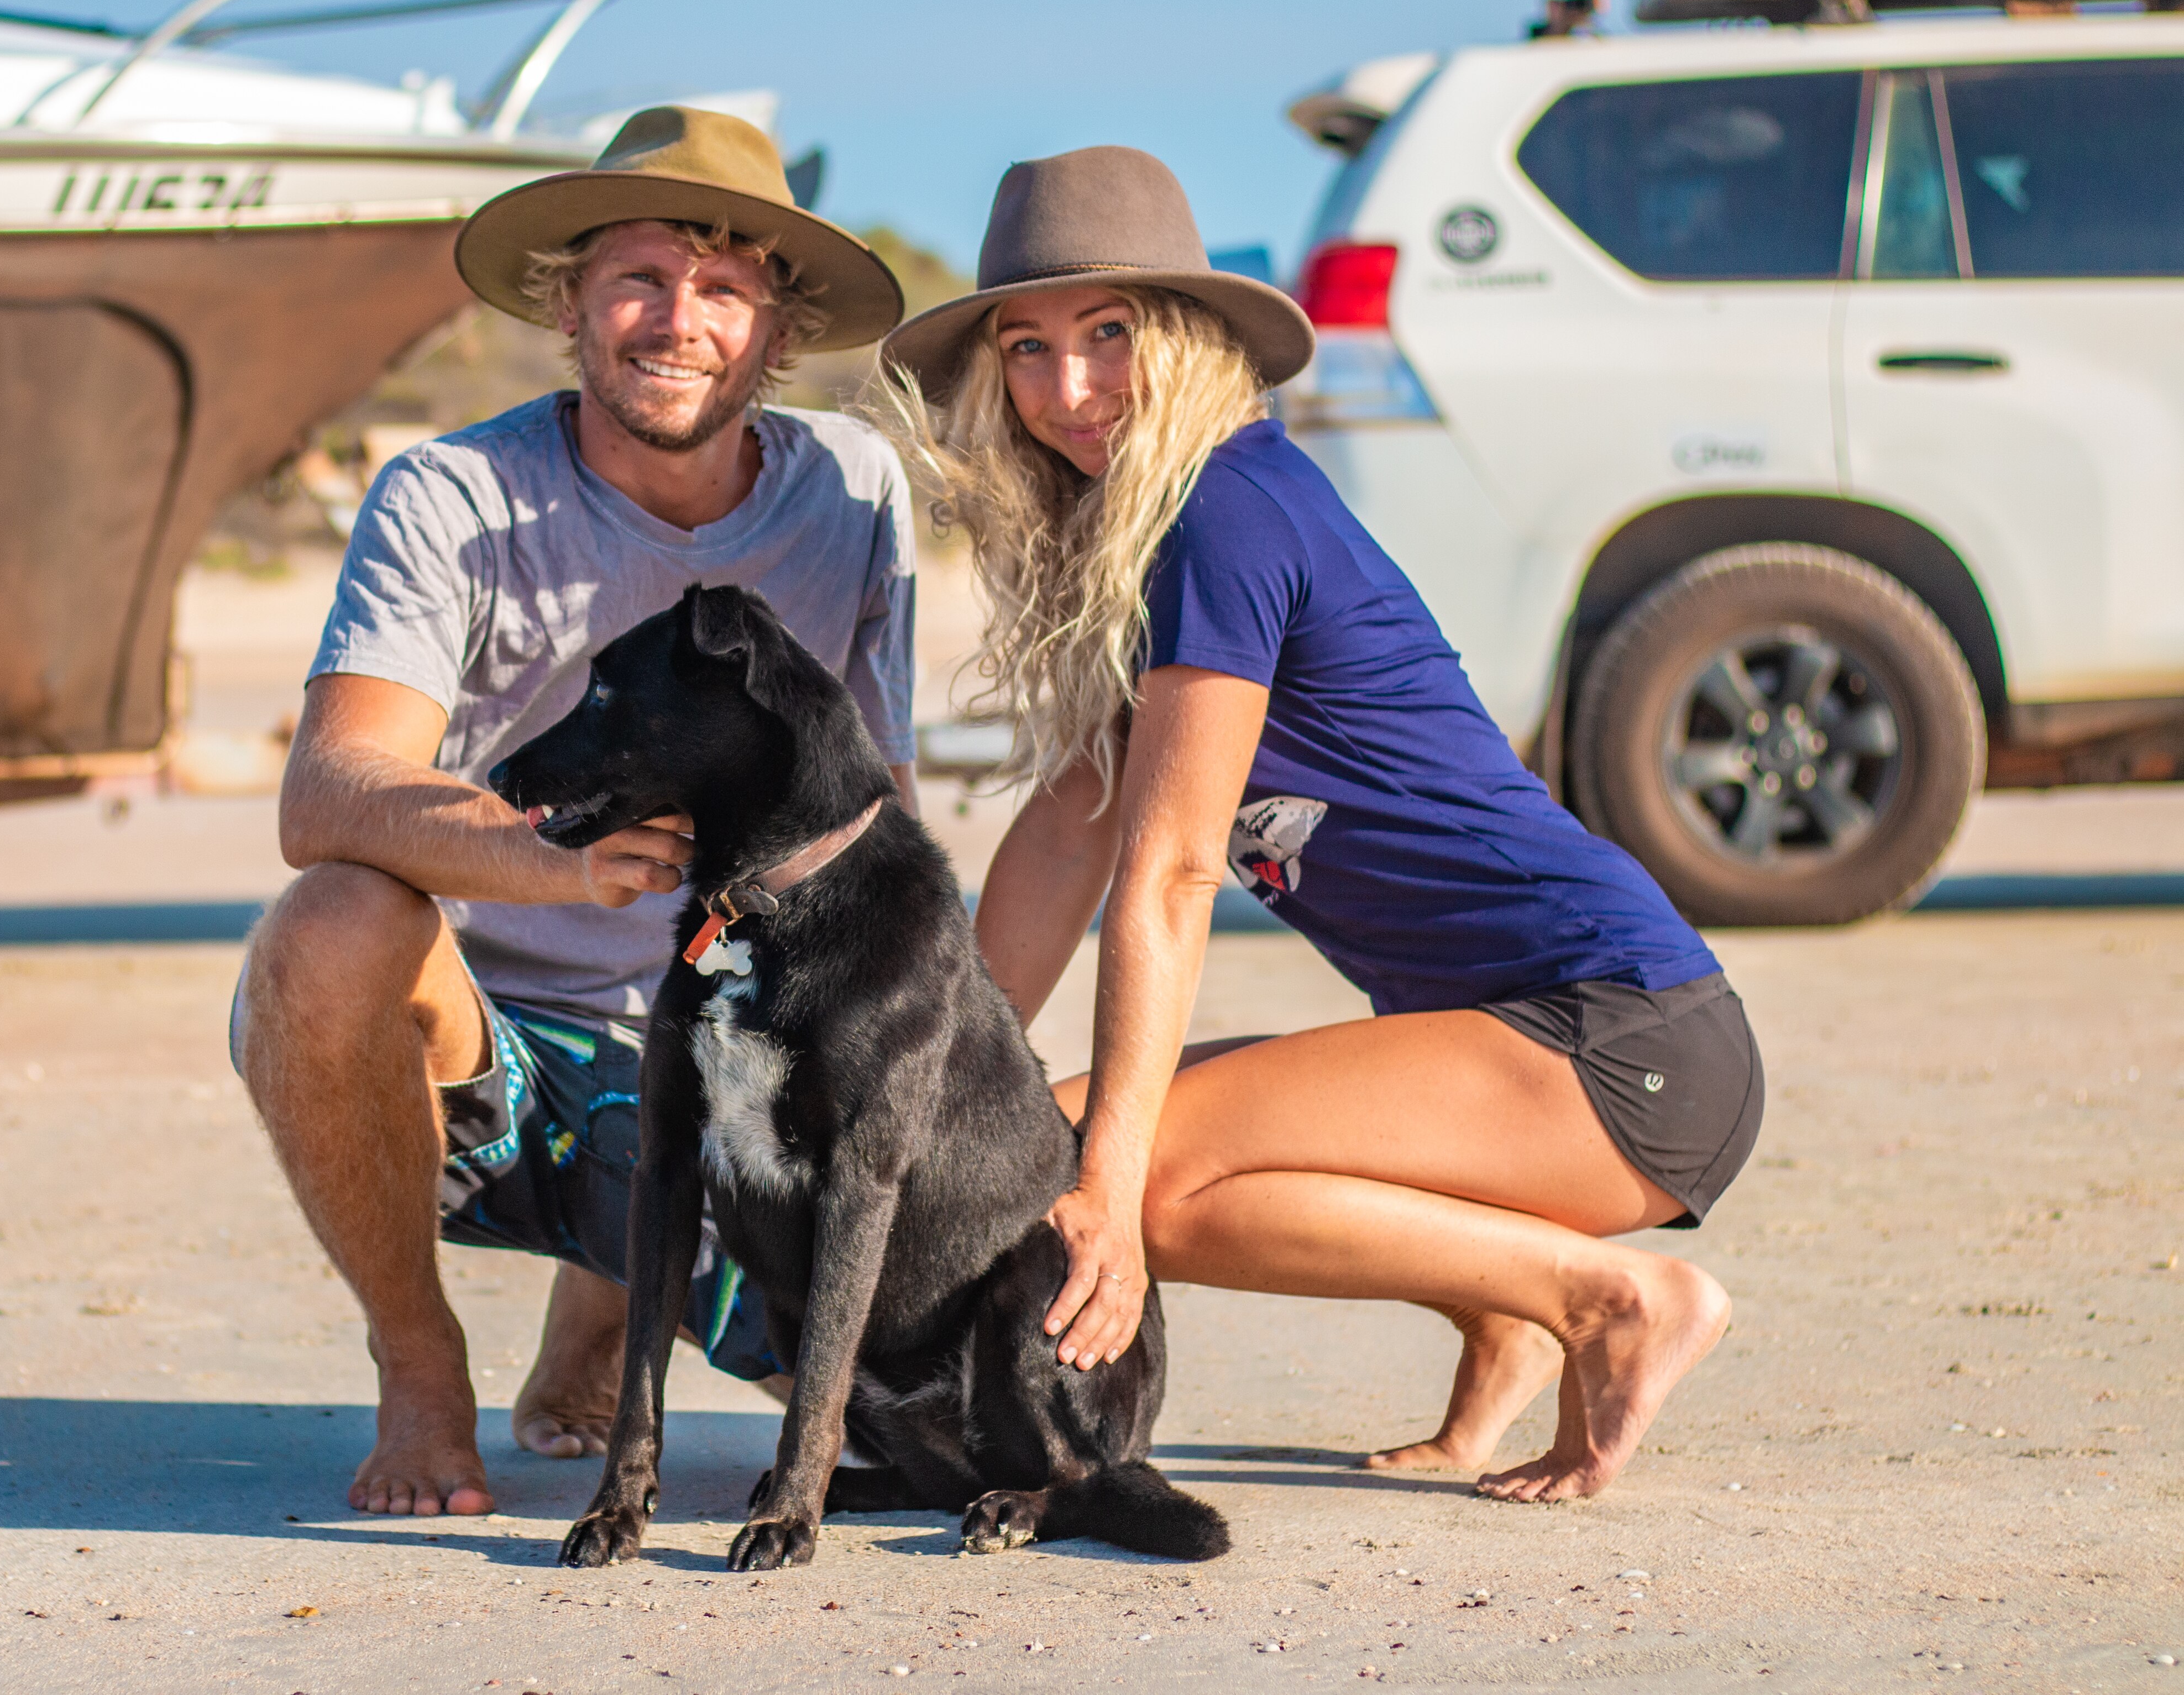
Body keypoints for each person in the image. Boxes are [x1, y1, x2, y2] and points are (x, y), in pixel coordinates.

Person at [862, 146, 1763, 1502]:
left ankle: (1600, 1300)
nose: (1068, 391)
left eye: (1109, 336)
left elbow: (1166, 877)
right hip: (1543, 1040)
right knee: (1042, 1131)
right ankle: (1502, 1323)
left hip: (1617, 1042)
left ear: (1186, 335)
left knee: (1134, 1182)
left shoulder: (1225, 511)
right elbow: (1072, 831)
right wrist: (937, 1069)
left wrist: (1103, 1185)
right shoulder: (1170, 521)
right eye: (1028, 350)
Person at [235, 106, 916, 1516]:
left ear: (775, 329)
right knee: (333, 917)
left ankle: (599, 1330)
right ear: (570, 299)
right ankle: (421, 1369)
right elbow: (331, 788)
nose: (679, 320)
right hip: (487, 1041)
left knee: (918, 1415)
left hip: (733, 1058)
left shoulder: (854, 489)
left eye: (725, 291)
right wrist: (559, 861)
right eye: (640, 279)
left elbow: (880, 815)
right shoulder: (455, 491)